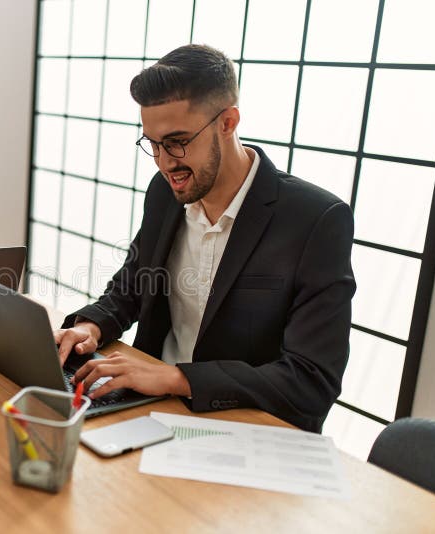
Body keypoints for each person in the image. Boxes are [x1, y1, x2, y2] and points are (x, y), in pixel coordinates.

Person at [54, 44, 355, 432]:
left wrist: (178, 379)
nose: (164, 163)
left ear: (227, 122)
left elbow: (312, 380)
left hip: (240, 427)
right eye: (153, 144)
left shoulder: (315, 220)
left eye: (177, 141)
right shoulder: (166, 193)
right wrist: (89, 328)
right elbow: (133, 286)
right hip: (145, 408)